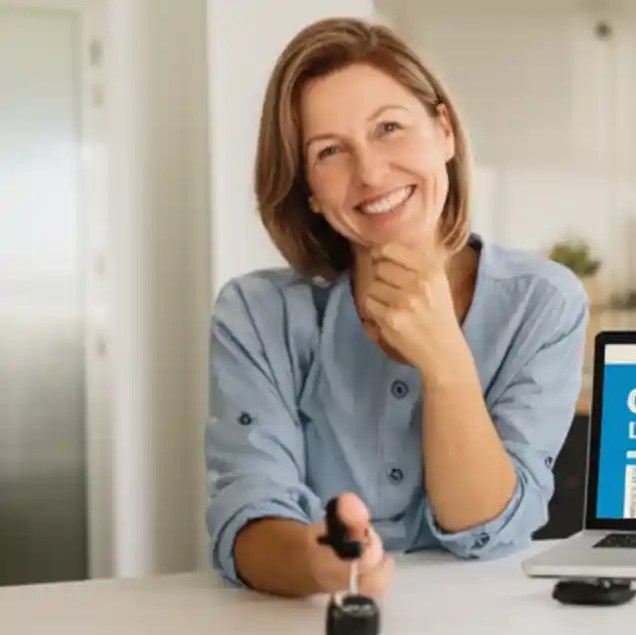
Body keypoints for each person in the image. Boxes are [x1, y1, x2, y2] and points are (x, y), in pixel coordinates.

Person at [204, 17, 587, 598]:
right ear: (309, 189)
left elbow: (487, 528)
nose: (370, 173)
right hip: (313, 625)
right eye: (330, 151)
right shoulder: (255, 315)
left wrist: (445, 361)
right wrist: (320, 563)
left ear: (445, 132)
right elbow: (247, 518)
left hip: (489, 626)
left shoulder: (544, 302)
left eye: (389, 127)